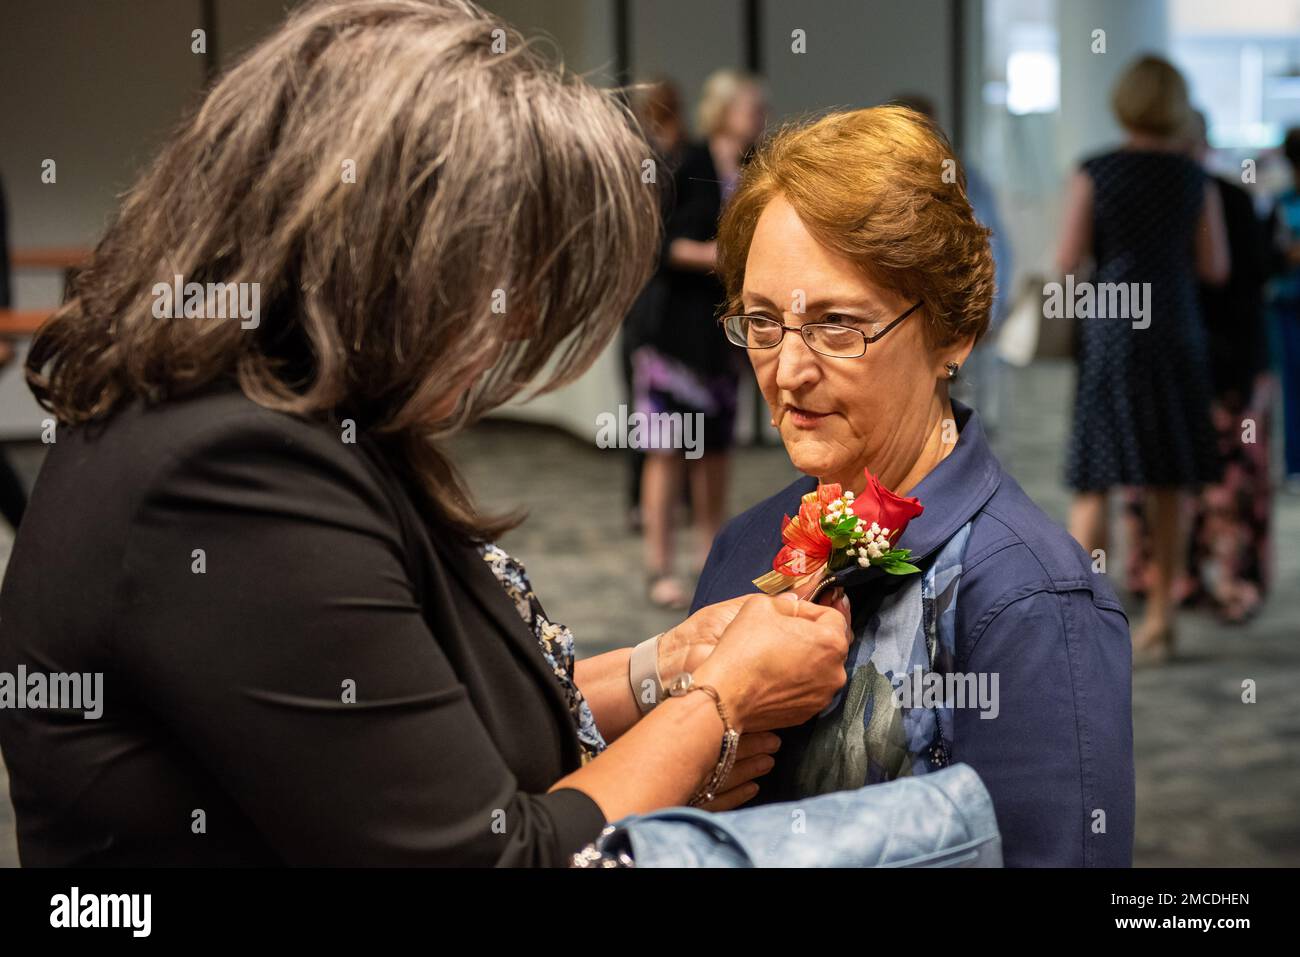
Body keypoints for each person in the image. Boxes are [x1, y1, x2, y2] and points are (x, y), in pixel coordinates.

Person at [0, 0, 856, 866]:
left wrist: (655, 667)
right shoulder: (222, 474)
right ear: (380, 250)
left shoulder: (297, 411)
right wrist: (718, 700)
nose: (517, 320)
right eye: (502, 274)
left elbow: (427, 723)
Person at [692, 106, 1135, 867]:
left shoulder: (1028, 602)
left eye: (838, 325)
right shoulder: (748, 544)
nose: (788, 371)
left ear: (951, 333)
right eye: (762, 322)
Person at [1055, 55, 1229, 664]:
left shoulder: (1095, 171)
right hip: (1175, 329)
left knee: (1095, 477)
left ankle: (1082, 618)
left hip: (1114, 331)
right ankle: (1160, 617)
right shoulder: (1193, 178)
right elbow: (1215, 267)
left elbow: (1067, 259)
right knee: (1167, 479)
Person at [1123, 110, 1274, 624]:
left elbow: (1248, 293)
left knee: (1217, 480)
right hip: (1190, 365)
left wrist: (1255, 372)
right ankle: (1187, 581)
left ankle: (1204, 581)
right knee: (1193, 478)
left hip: (1210, 366)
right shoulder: (1211, 198)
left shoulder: (1222, 200)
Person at [634, 68, 766, 609]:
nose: (760, 115)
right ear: (723, 109)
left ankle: (707, 564)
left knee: (716, 456)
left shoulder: (759, 168)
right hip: (672, 338)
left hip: (722, 339)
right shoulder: (686, 162)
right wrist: (722, 257)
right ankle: (658, 567)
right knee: (666, 453)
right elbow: (660, 244)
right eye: (751, 106)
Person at [1267, 127, 1300, 493]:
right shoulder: (1281, 202)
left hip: (1286, 300)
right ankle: (1295, 464)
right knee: (1291, 387)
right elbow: (1273, 256)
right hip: (1287, 304)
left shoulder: (1281, 203)